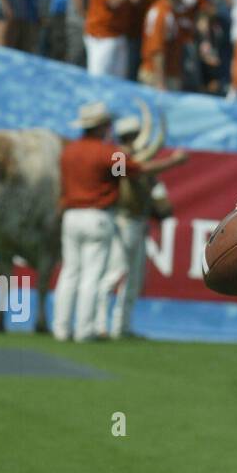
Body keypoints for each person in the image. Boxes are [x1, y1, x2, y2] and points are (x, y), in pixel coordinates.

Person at [54, 102, 183, 341]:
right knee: (92, 275)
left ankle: (61, 329)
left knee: (69, 273)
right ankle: (84, 330)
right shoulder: (106, 153)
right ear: (101, 127)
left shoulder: (69, 151)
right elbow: (136, 170)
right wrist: (174, 162)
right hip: (97, 217)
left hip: (70, 216)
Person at [94, 115, 188, 340]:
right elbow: (123, 173)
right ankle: (99, 325)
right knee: (114, 274)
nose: (136, 140)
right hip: (122, 220)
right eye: (132, 136)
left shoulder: (140, 163)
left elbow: (155, 190)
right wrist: (166, 162)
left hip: (139, 222)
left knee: (134, 278)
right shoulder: (117, 156)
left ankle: (122, 327)